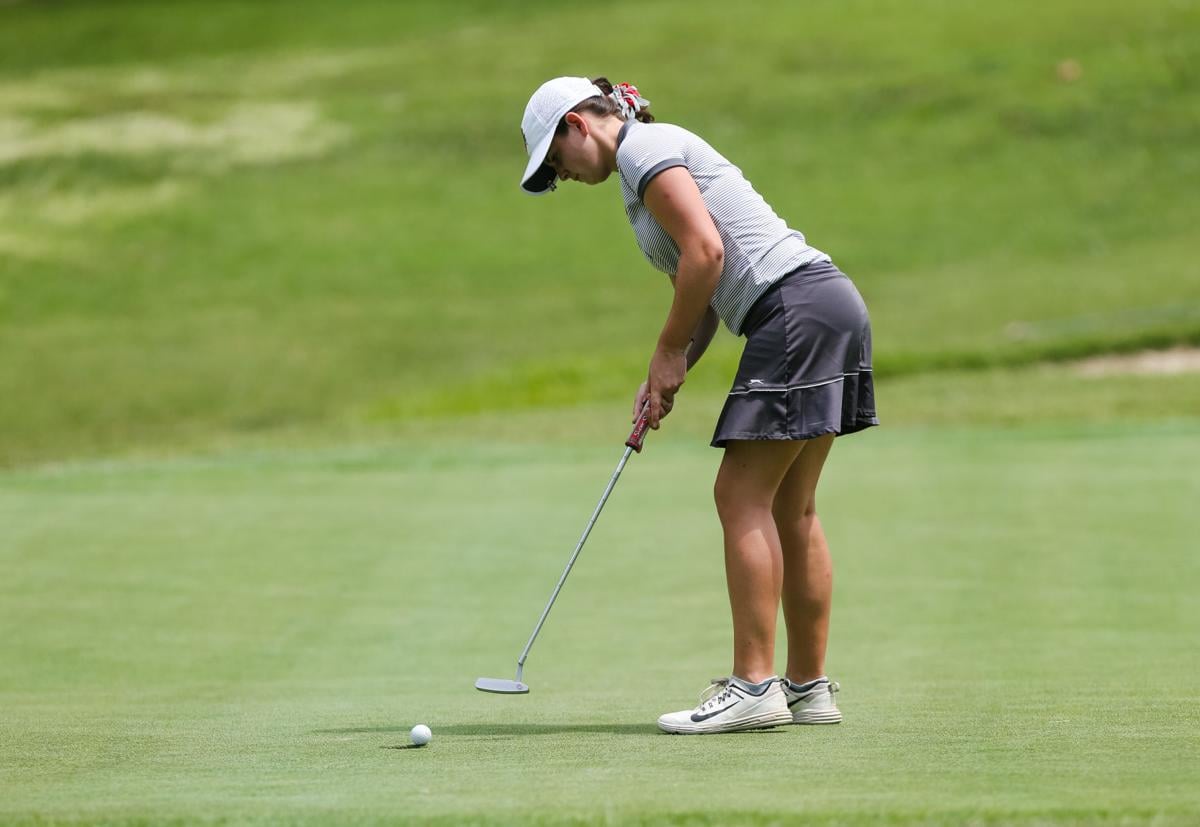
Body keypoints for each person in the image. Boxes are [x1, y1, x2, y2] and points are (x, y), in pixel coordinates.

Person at [519, 76, 878, 734]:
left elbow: (707, 253)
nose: (559, 175)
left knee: (738, 495)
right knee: (789, 506)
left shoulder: (643, 148)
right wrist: (668, 370)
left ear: (578, 124)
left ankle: (752, 685)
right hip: (827, 302)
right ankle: (806, 688)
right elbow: (705, 291)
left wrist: (664, 349)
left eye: (554, 159)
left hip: (794, 309)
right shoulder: (640, 172)